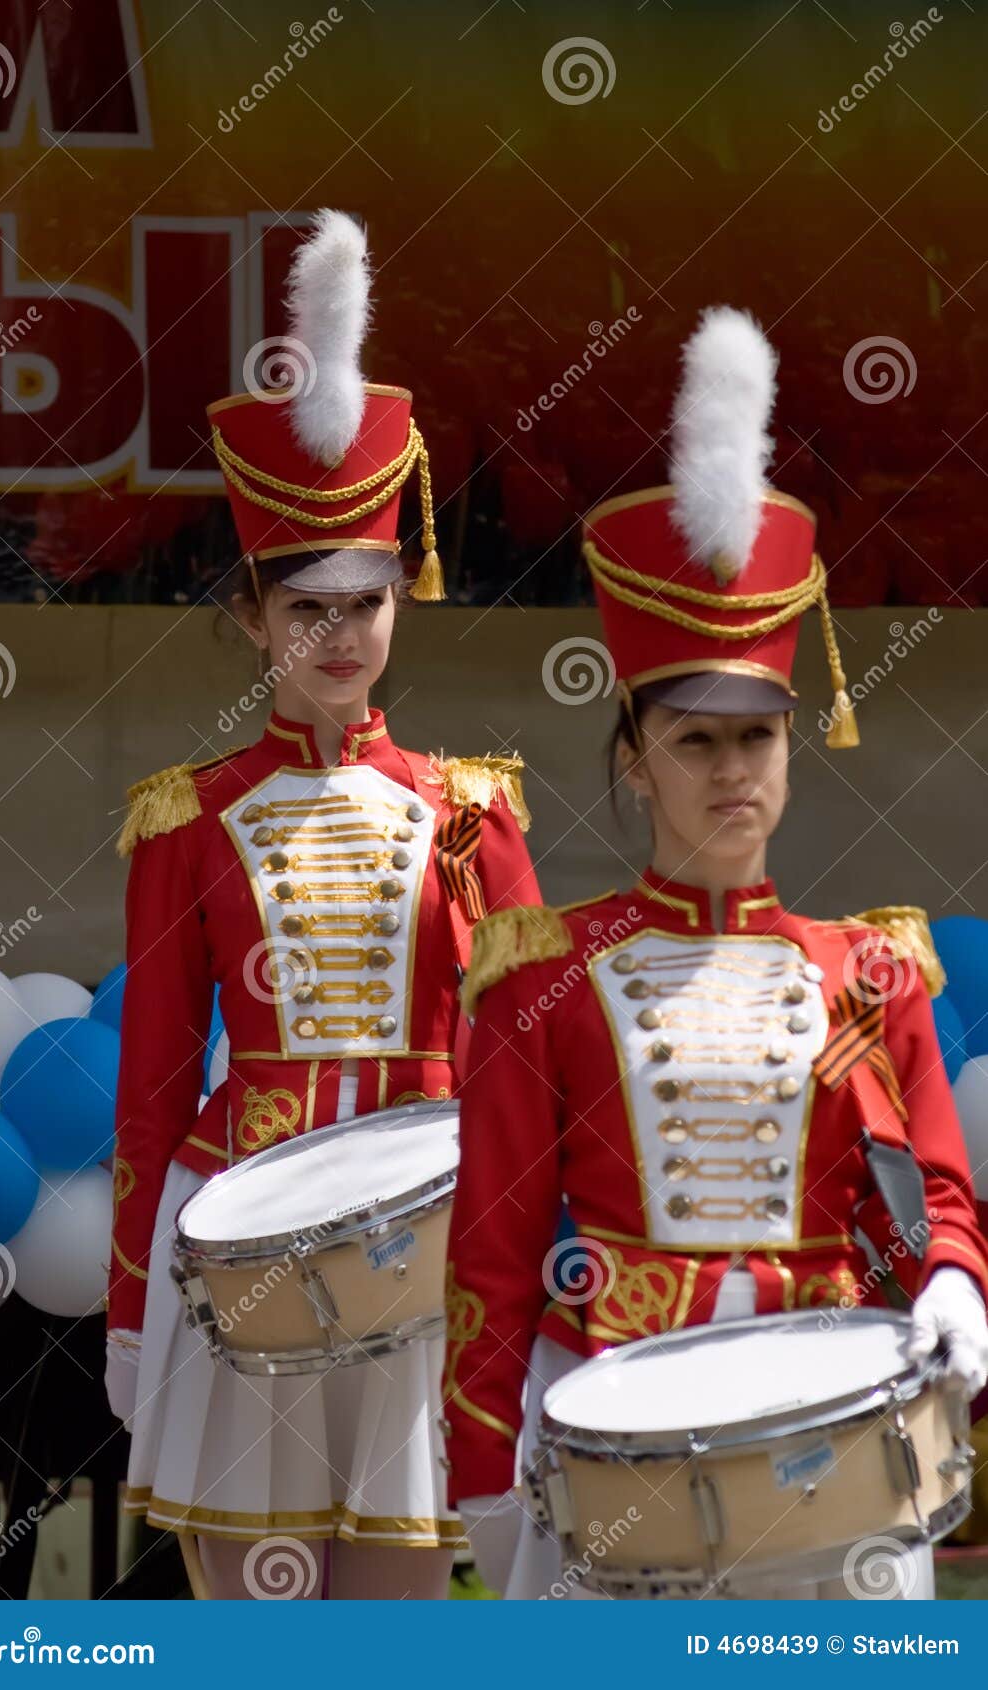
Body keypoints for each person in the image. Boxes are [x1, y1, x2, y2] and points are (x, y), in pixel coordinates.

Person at [442, 306, 988, 1601]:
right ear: (633, 762)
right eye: (694, 741)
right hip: (620, 1452)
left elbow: (937, 1198)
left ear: (790, 747)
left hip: (830, 1439)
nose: (732, 770)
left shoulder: (871, 971)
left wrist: (959, 1284)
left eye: (757, 738)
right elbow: (493, 1255)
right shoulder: (541, 974)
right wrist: (480, 1469)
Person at [104, 211, 540, 1601]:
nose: (340, 633)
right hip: (239, 1246)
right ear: (251, 619)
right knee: (261, 1626)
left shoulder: (475, 811)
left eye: (366, 599)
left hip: (419, 1253)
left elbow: (526, 1077)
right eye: (306, 606)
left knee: (396, 1620)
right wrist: (129, 1306)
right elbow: (153, 1081)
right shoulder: (189, 818)